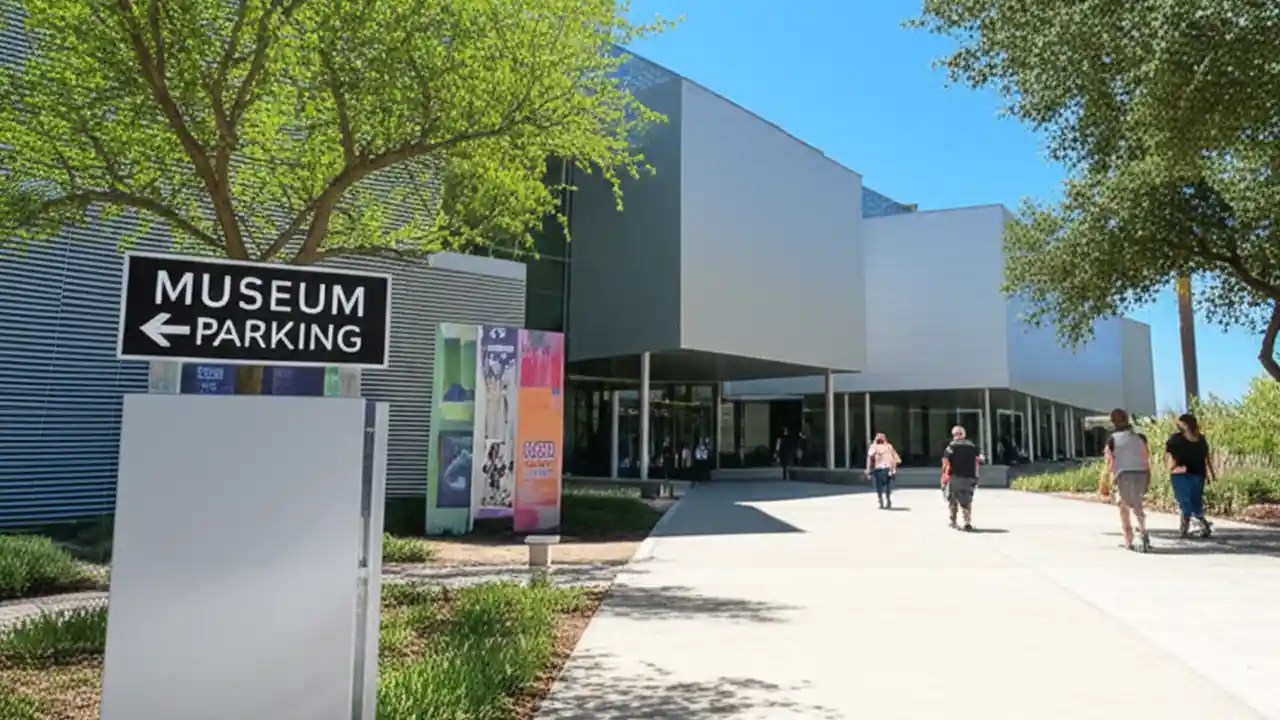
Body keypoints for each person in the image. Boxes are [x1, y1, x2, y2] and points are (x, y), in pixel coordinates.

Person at [1104, 408, 1151, 552]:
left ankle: (1128, 538)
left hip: (1123, 474)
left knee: (1123, 507)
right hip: (1142, 473)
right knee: (1137, 503)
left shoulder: (1112, 440)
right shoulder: (1141, 438)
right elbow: (1146, 457)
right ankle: (1142, 531)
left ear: (1113, 422)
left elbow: (1108, 462)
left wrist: (1107, 481)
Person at [1166, 413, 1216, 538]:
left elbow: (1206, 457)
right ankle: (1191, 525)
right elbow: (1170, 456)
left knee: (1194, 500)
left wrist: (1211, 473)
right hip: (1180, 474)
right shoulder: (1176, 439)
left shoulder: (1200, 439)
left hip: (1198, 473)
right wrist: (1171, 468)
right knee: (1185, 500)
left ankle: (1193, 524)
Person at [941, 426, 982, 531]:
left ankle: (953, 521)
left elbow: (945, 462)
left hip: (954, 477)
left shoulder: (951, 447)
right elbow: (980, 460)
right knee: (967, 500)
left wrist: (944, 477)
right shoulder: (973, 446)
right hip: (970, 477)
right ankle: (967, 522)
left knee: (953, 499)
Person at [866, 432, 902, 509]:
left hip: (885, 469)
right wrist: (868, 469)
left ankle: (884, 500)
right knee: (884, 486)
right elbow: (869, 458)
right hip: (884, 469)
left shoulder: (887, 447)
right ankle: (883, 499)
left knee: (882, 486)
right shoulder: (877, 447)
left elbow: (895, 458)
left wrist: (868, 470)